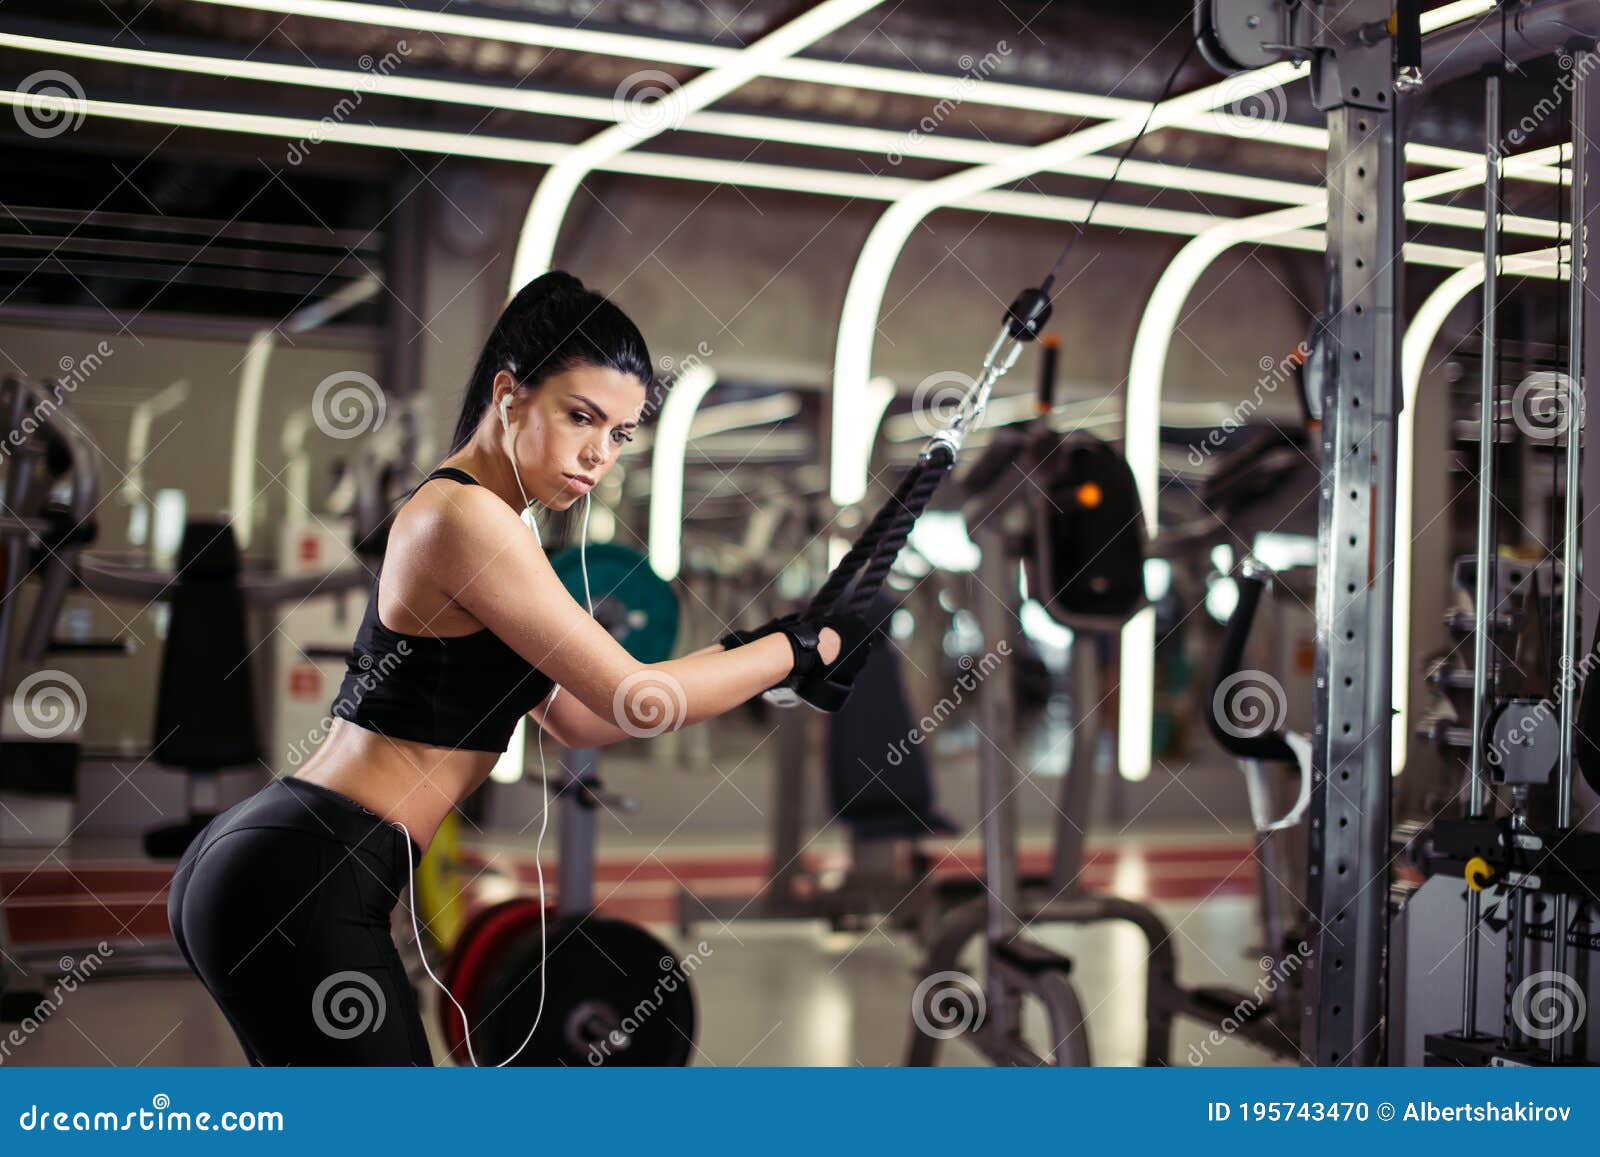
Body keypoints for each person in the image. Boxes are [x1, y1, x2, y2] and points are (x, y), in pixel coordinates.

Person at [166, 271, 869, 1066]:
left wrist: (754, 647)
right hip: (308, 876)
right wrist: (802, 649)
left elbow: (577, 715)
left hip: (288, 865)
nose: (598, 454)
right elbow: (634, 693)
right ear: (509, 394)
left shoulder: (492, 525)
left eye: (620, 434)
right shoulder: (467, 517)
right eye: (581, 417)